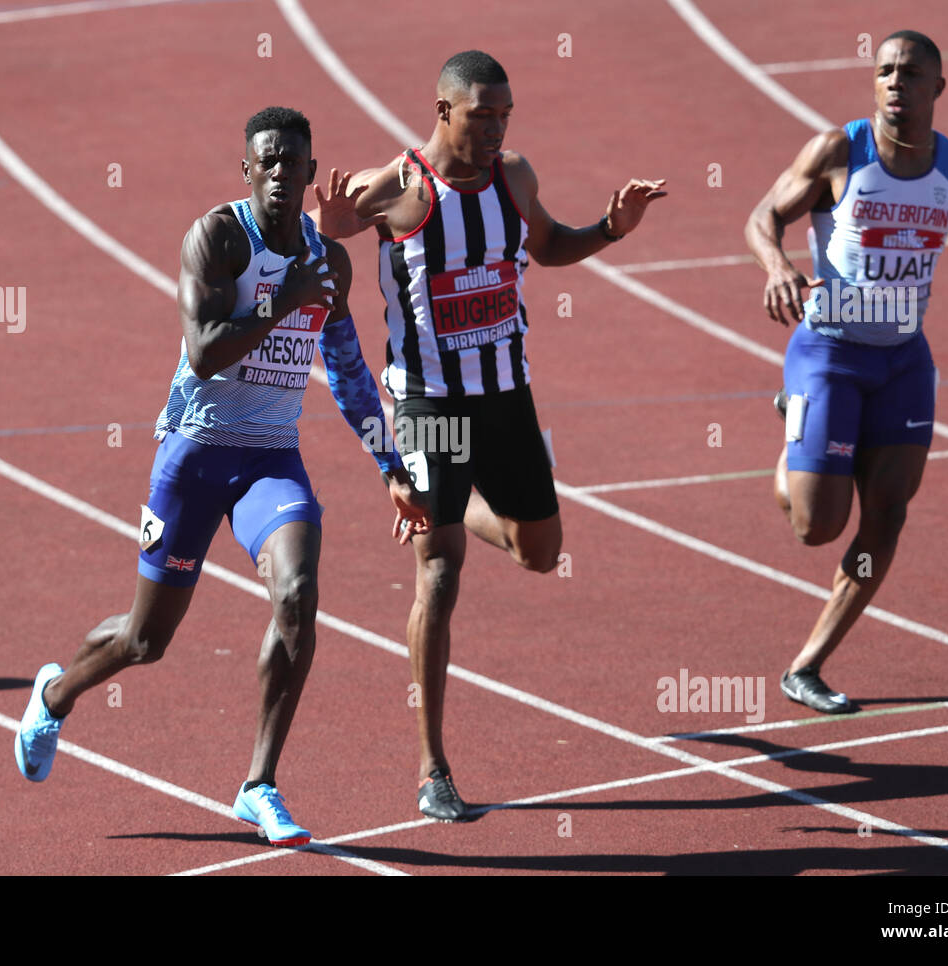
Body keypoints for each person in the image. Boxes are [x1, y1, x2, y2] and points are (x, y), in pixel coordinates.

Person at [14, 106, 429, 846]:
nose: (277, 174)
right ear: (247, 170)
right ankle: (54, 693)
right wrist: (281, 299)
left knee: (298, 594)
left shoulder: (328, 264)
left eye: (290, 163)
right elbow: (204, 349)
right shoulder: (218, 237)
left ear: (309, 172)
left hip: (270, 459)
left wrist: (390, 465)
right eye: (263, 162)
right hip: (195, 453)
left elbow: (349, 374)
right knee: (147, 640)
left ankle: (259, 785)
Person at [312, 50, 666, 820]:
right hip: (430, 401)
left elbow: (549, 245)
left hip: (507, 397)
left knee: (543, 554)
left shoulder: (517, 177)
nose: (497, 127)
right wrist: (328, 229)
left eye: (506, 113)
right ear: (444, 111)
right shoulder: (399, 188)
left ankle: (447, 497)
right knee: (439, 573)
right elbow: (319, 242)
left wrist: (611, 227)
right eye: (482, 115)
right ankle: (433, 767)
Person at [744, 30, 948, 714]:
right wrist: (777, 265)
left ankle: (808, 664)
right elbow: (763, 216)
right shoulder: (840, 152)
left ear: (937, 89)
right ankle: (795, 428)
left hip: (903, 361)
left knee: (887, 518)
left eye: (911, 73)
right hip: (830, 352)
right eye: (885, 71)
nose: (895, 82)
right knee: (816, 528)